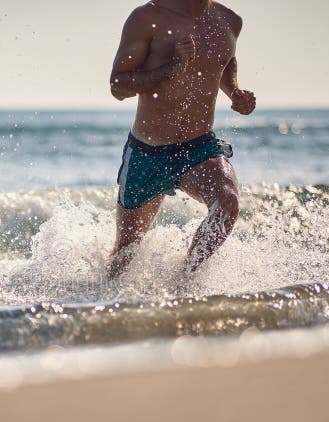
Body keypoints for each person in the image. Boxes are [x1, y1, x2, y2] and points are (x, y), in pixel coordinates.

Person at [107, 0, 256, 279]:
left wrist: (234, 91)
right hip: (148, 152)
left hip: (199, 147)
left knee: (227, 202)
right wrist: (170, 68)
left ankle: (185, 286)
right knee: (124, 257)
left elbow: (224, 61)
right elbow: (118, 86)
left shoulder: (229, 21)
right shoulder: (147, 17)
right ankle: (102, 303)